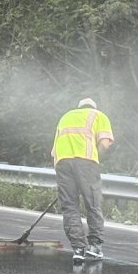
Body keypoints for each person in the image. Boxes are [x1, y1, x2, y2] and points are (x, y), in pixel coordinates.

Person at [52, 97, 114, 264]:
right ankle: (95, 247)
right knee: (92, 203)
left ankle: (78, 249)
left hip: (63, 163)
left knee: (69, 206)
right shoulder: (98, 115)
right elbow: (105, 144)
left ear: (78, 107)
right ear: (94, 107)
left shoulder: (65, 117)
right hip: (86, 162)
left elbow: (54, 151)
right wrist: (94, 157)